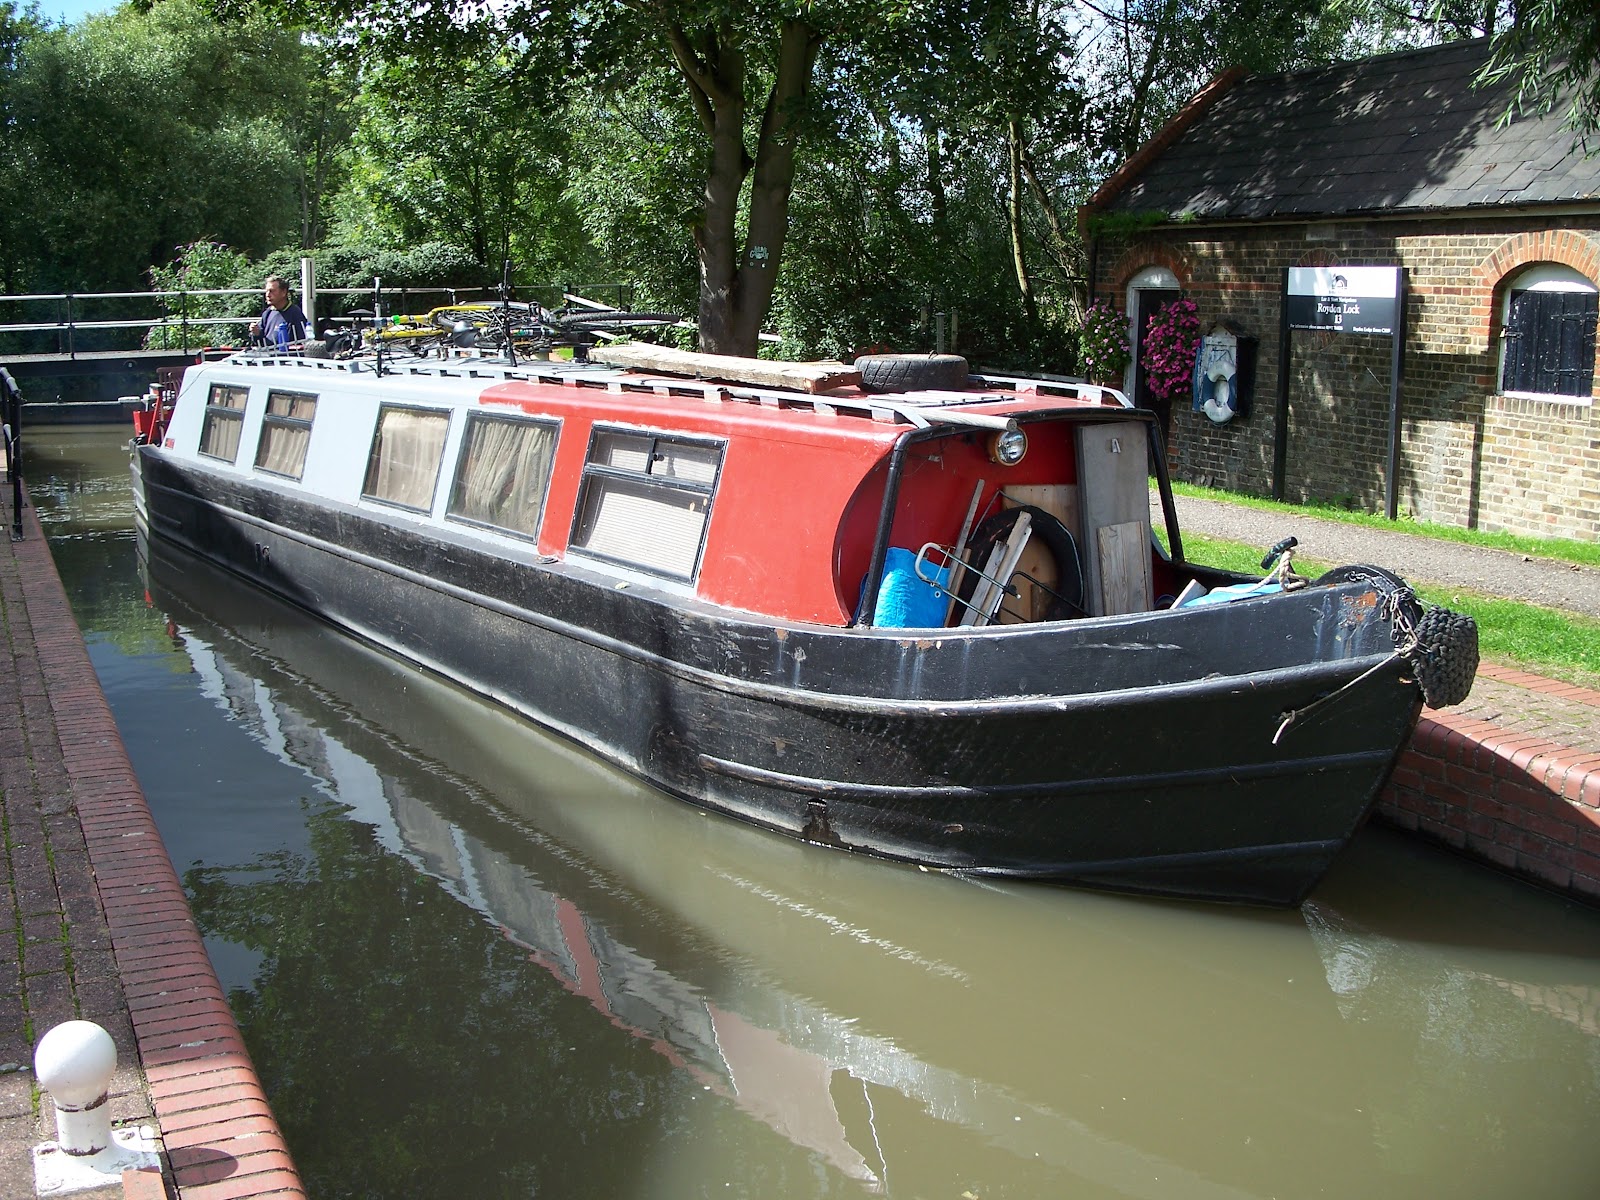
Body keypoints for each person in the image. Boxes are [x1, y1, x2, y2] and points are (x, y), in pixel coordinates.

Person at [250, 275, 308, 348]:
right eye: (267, 291)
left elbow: (301, 343)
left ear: (284, 292)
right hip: (267, 353)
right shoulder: (267, 313)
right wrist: (256, 333)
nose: (268, 295)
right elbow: (260, 341)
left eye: (272, 291)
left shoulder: (295, 313)